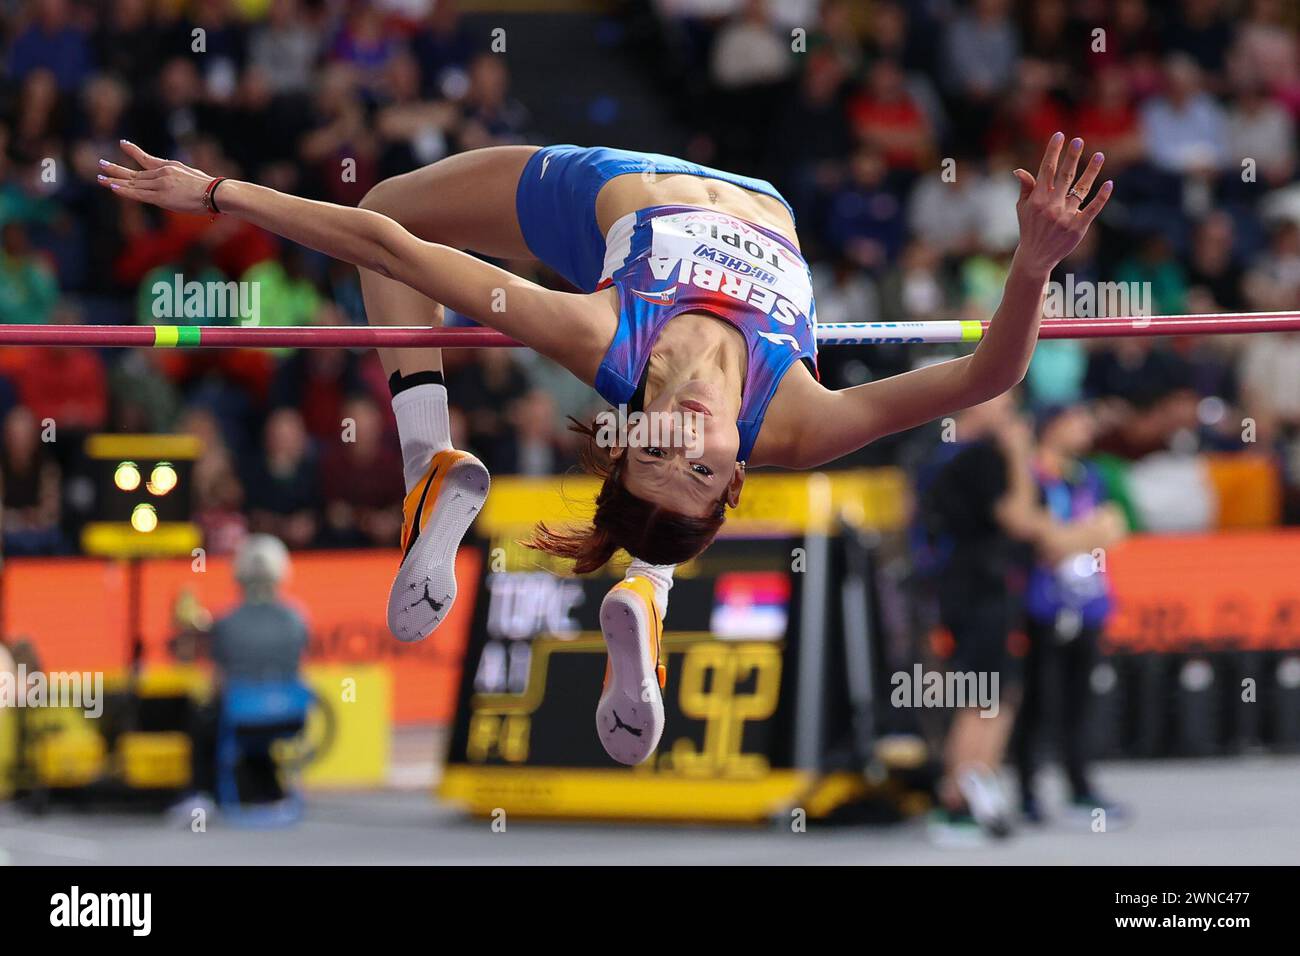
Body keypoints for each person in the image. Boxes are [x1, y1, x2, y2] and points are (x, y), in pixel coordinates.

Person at [98, 132, 1112, 764]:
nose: (691, 432)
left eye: (658, 445)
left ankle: (429, 464)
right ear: (738, 472)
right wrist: (1030, 266)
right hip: (759, 196)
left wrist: (220, 192)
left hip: (610, 192)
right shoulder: (797, 421)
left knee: (385, 204)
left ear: (626, 439)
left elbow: (388, 247)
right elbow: (984, 377)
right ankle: (648, 590)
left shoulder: (598, 335)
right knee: (664, 514)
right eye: (703, 462)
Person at [1014, 403, 1129, 826]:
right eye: (1076, 420)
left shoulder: (1089, 474)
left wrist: (1071, 537)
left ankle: (1080, 787)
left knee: (1081, 699)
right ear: (1051, 427)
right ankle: (1027, 792)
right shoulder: (1029, 474)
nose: (1086, 427)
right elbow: (1044, 539)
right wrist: (1086, 534)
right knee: (1037, 699)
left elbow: (1116, 527)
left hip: (1086, 598)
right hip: (1041, 601)